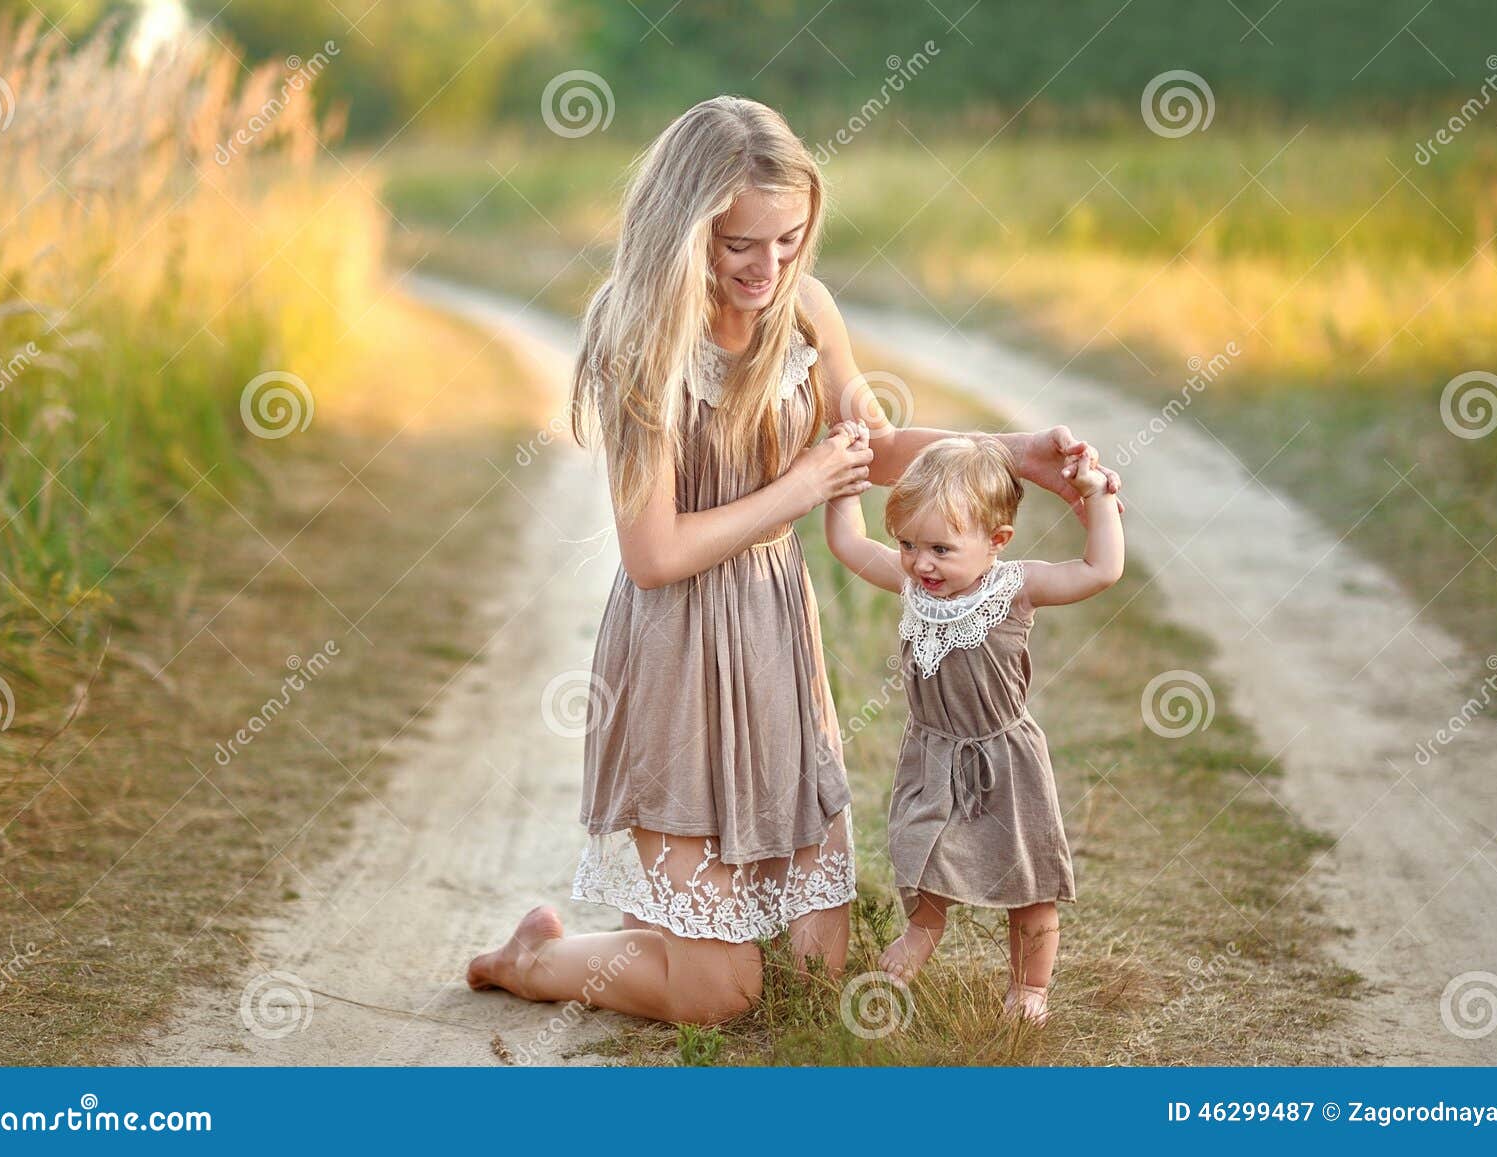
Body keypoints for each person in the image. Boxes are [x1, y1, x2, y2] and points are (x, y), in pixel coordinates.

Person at [466, 95, 1122, 1026]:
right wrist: (803, 484)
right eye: (739, 243)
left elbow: (874, 447)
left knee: (811, 979)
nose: (768, 268)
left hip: (773, 628)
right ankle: (542, 956)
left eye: (789, 240)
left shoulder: (805, 308)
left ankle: (666, 931)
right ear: (684, 228)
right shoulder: (639, 337)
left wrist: (1012, 451)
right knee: (723, 998)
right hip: (679, 645)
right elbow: (654, 555)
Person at [823, 429, 1124, 1025]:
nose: (920, 562)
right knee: (924, 856)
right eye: (908, 544)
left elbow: (1100, 569)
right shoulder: (913, 584)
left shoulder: (1016, 588)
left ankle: (1029, 987)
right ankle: (916, 938)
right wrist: (845, 478)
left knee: (1028, 882)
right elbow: (849, 544)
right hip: (933, 754)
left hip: (1004, 758)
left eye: (939, 548)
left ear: (996, 541)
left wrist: (1097, 499)